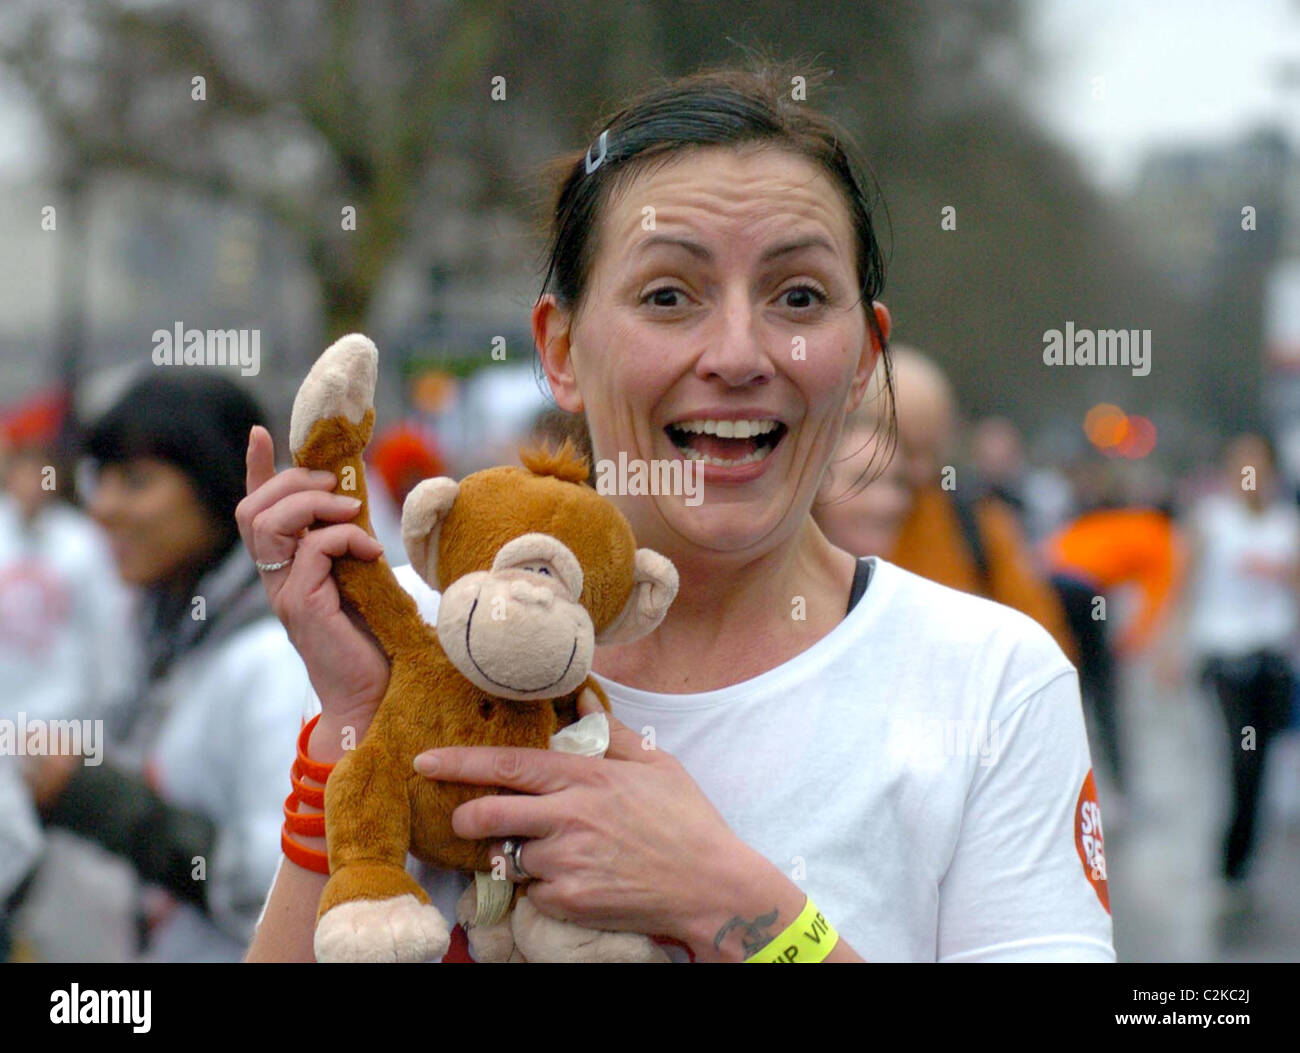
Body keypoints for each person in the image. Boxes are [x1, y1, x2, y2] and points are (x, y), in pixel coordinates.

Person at [242, 64, 1114, 962]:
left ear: (863, 358)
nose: (738, 354)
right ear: (562, 348)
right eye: (669, 296)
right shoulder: (424, 646)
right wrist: (352, 720)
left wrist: (740, 906)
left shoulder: (991, 684)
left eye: (799, 297)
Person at [22, 371, 310, 961]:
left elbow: (283, 888)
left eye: (136, 481)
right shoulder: (166, 625)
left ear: (216, 486)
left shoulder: (277, 659)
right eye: (101, 480)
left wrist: (100, 802)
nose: (102, 509)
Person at [884, 347, 1077, 661]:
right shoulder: (811, 527)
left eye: (928, 452)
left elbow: (1043, 645)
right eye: (902, 450)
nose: (918, 471)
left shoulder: (977, 524)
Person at [1178, 434, 1299, 910]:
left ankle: (1245, 854)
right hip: (1224, 658)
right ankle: (1230, 856)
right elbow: (1184, 587)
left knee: (1264, 761)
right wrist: (1169, 644)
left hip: (1272, 658)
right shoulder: (1210, 522)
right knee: (1241, 758)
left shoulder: (1287, 526)